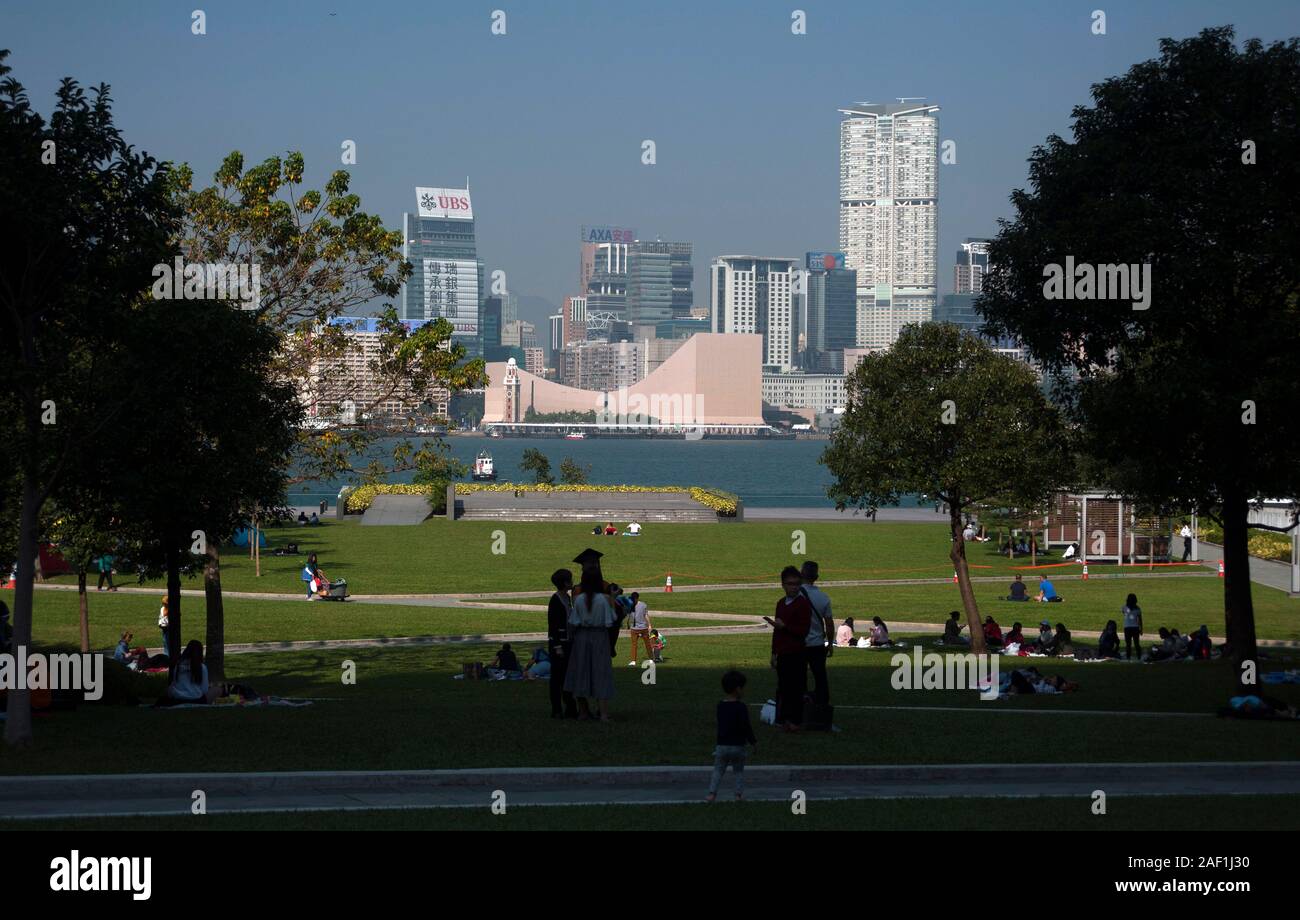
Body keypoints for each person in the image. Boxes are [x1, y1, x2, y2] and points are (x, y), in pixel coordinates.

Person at [564, 563, 617, 721]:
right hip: (599, 636)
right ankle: (604, 713)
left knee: (580, 671)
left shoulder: (579, 599)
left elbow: (573, 621)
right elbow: (611, 620)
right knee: (601, 672)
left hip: (582, 637)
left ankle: (583, 712)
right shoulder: (604, 599)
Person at [769, 566, 812, 730]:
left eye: (796, 584)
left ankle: (795, 721)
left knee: (796, 687)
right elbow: (776, 631)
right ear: (783, 584)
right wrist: (773, 653)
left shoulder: (802, 604)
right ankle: (784, 718)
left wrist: (785, 626)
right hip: (783, 653)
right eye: (790, 584)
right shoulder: (780, 603)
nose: (793, 587)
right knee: (784, 687)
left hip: (797, 652)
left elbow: (803, 631)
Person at [707, 670, 757, 802]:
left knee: (718, 770)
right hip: (738, 745)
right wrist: (753, 742)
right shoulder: (741, 707)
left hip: (722, 745)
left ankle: (712, 793)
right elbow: (746, 726)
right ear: (738, 689)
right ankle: (738, 795)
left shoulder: (720, 706)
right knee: (738, 772)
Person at [799, 560, 835, 708]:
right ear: (817, 577)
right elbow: (829, 624)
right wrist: (831, 643)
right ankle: (822, 706)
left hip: (799, 643)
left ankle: (800, 705)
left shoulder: (796, 596)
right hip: (817, 644)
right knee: (820, 677)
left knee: (800, 677)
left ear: (801, 575)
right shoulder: (824, 598)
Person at [546, 569, 578, 718]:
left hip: (569, 642)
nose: (572, 581)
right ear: (565, 583)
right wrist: (557, 646)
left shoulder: (567, 597)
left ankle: (570, 707)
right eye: (570, 579)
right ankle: (557, 709)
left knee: (568, 677)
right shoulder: (556, 599)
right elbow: (553, 625)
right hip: (560, 644)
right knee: (557, 678)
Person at [159, 640, 210, 705]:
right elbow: (204, 690)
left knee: (169, 689)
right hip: (196, 699)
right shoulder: (202, 667)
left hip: (178, 698)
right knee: (216, 689)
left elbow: (175, 684)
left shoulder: (178, 666)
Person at [626, 591, 653, 666]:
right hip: (637, 628)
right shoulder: (642, 605)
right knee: (637, 644)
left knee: (645, 643)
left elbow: (645, 615)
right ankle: (634, 660)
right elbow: (645, 615)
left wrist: (649, 625)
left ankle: (649, 659)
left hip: (640, 628)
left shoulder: (634, 605)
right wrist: (628, 623)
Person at [1121, 593, 1143, 660]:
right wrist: (1141, 629)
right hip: (1135, 627)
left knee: (1128, 644)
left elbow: (1123, 612)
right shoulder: (1137, 608)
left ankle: (1128, 658)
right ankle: (1139, 657)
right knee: (1137, 644)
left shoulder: (1124, 607)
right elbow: (1140, 620)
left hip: (1127, 627)